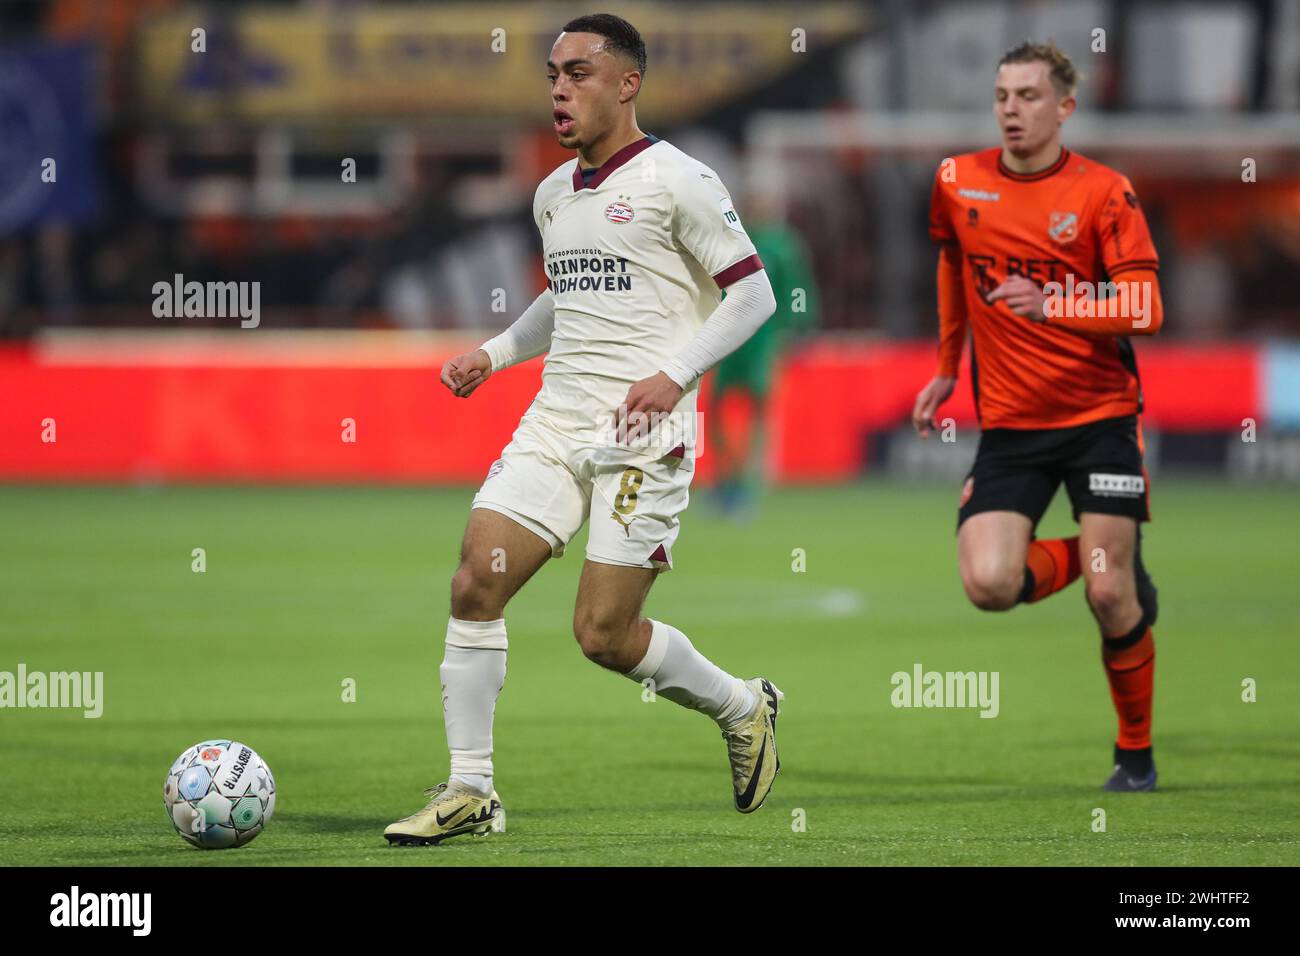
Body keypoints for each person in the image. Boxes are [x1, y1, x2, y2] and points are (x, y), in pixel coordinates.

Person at [385, 14, 783, 845]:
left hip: (645, 436)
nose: (559, 89)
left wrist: (673, 376)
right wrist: (495, 353)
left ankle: (743, 705)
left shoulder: (682, 180)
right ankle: (471, 791)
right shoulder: (553, 193)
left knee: (602, 637)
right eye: (552, 74)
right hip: (555, 424)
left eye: (579, 73)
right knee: (473, 584)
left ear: (628, 83)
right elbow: (566, 297)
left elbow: (754, 295)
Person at [913, 41, 1163, 792]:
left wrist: (1054, 302)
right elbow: (953, 267)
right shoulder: (958, 182)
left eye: (1028, 96)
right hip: (1012, 426)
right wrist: (946, 368)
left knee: (1107, 593)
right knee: (989, 585)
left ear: (1065, 107)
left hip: (1100, 417)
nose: (1012, 110)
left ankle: (1135, 756)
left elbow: (1146, 307)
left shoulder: (1104, 193)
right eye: (1002, 96)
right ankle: (1108, 554)